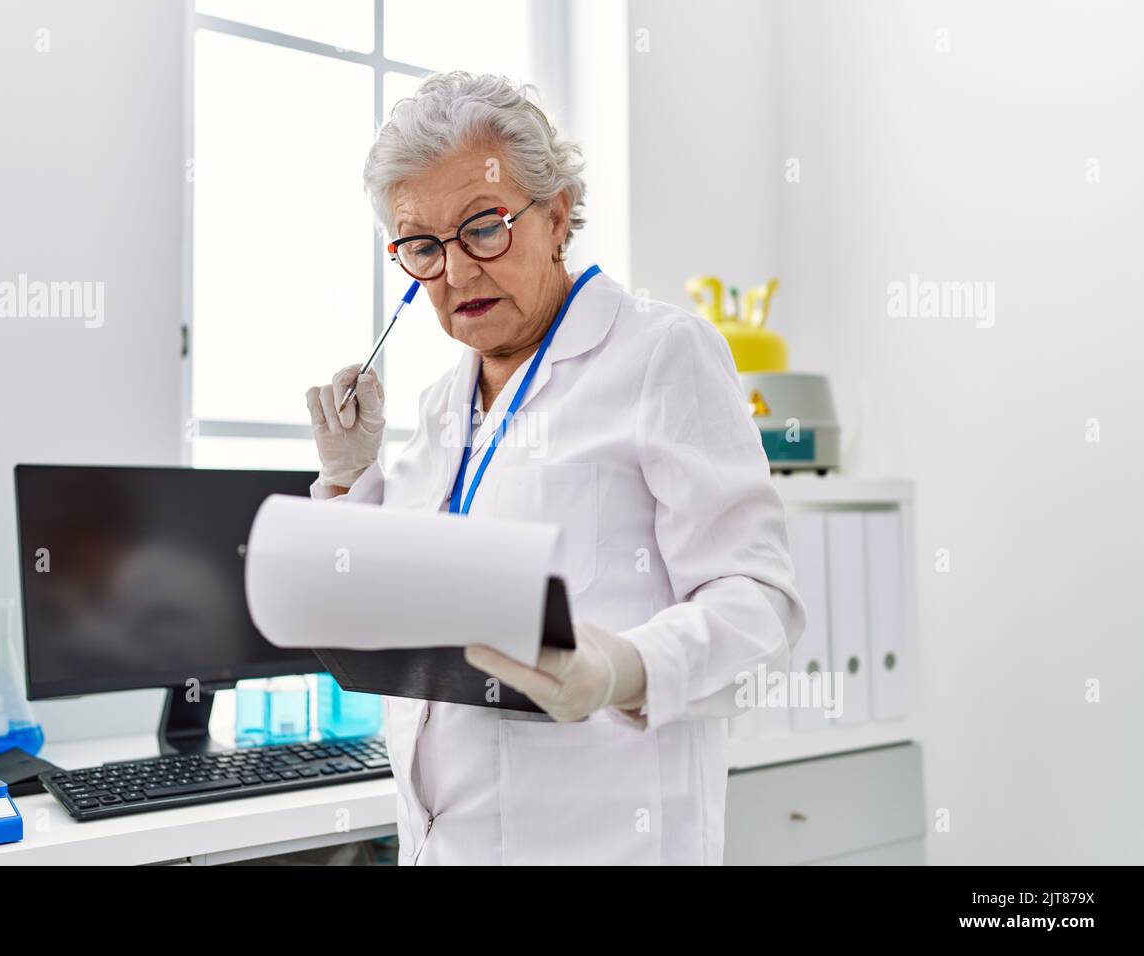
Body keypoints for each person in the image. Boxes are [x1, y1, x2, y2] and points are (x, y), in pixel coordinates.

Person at [306, 71, 804, 865]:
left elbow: (761, 606)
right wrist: (349, 480)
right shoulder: (444, 404)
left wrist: (622, 668)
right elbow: (398, 607)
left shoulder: (659, 355)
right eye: (423, 247)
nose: (457, 273)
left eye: (483, 228)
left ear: (558, 214)